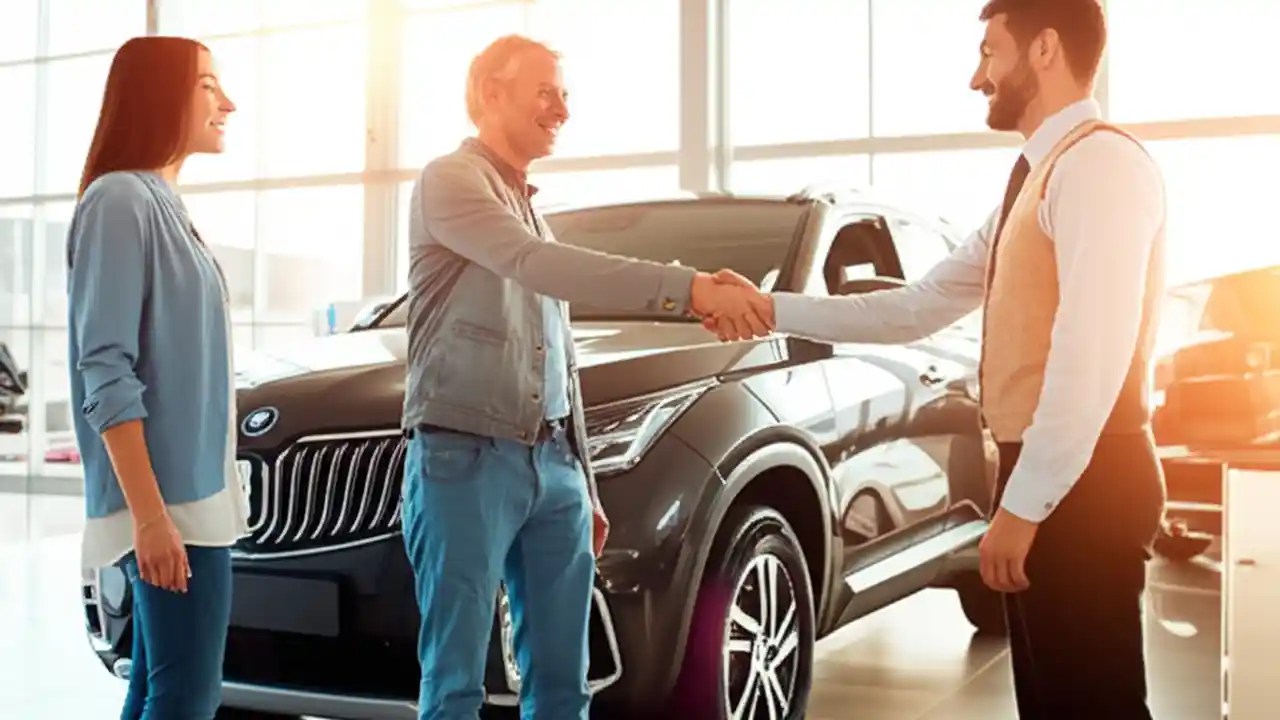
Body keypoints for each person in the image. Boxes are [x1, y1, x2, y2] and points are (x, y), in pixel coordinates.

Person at [708, 1, 1167, 717]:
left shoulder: (1100, 165)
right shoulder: (1037, 177)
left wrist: (1024, 504)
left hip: (1090, 480)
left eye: (990, 52)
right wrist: (770, 308)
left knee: (1095, 704)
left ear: (1045, 49)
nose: (978, 77)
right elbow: (913, 307)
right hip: (1056, 473)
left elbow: (1091, 355)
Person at [400, 34, 765, 720]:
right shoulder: (449, 181)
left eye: (565, 94)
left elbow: (560, 356)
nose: (562, 110)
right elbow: (536, 265)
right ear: (490, 93)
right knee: (455, 685)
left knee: (565, 686)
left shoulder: (531, 209)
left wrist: (584, 483)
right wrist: (690, 289)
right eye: (545, 92)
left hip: (555, 468)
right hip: (465, 458)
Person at [67, 36, 246, 720]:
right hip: (168, 505)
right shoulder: (120, 199)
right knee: (185, 696)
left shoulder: (159, 201)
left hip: (186, 498)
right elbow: (104, 368)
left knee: (159, 688)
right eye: (208, 85)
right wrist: (150, 517)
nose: (227, 103)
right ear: (160, 95)